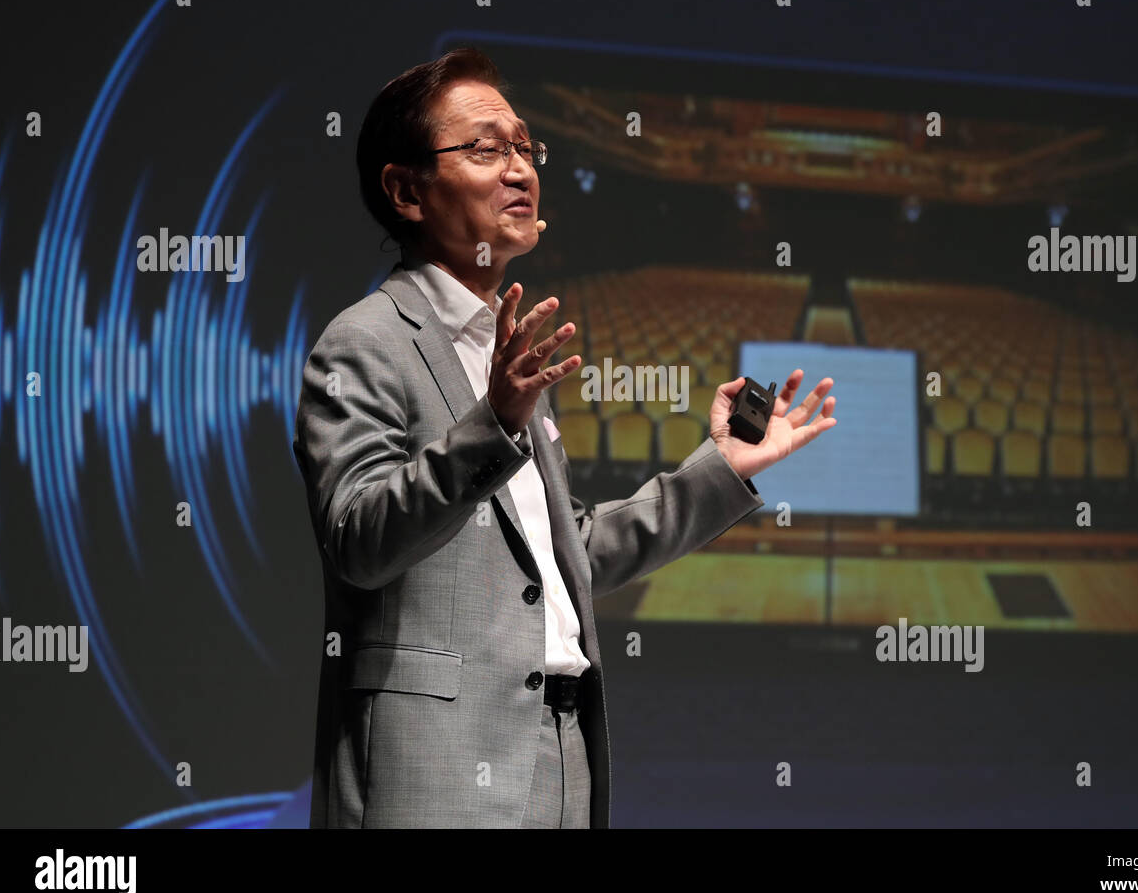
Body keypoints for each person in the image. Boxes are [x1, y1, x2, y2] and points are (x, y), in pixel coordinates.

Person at [292, 47, 837, 828]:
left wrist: (721, 469)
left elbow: (566, 552)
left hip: (561, 756)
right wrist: (494, 425)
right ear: (406, 191)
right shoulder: (367, 341)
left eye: (524, 147)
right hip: (435, 771)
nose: (519, 168)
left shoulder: (503, 348)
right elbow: (357, 538)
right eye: (485, 147)